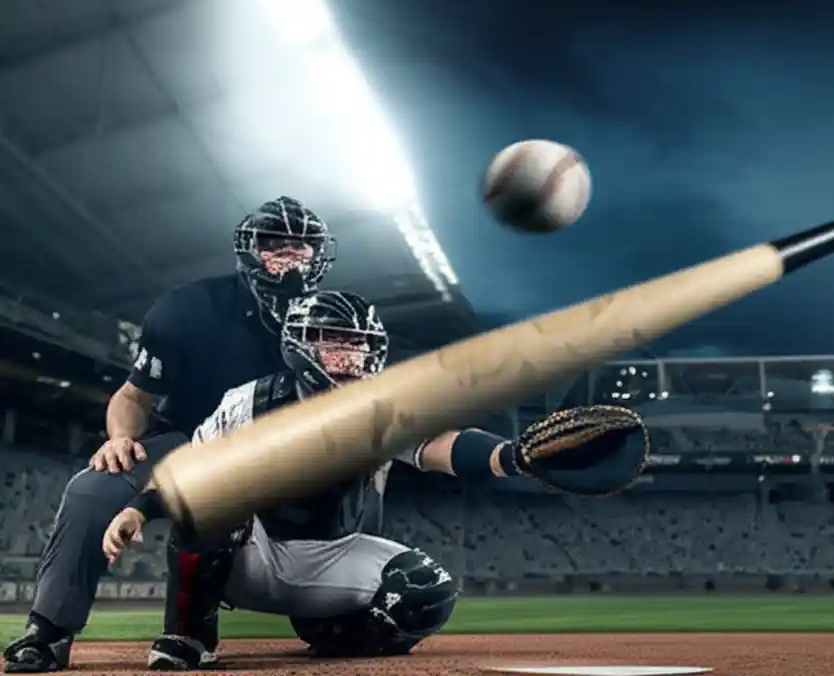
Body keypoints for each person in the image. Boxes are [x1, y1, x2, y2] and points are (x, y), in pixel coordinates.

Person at [101, 291, 529, 670]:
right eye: (336, 342)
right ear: (300, 345)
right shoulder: (249, 402)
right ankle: (189, 634)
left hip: (333, 555)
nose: (352, 356)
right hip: (251, 553)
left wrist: (511, 456)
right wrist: (138, 509)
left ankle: (330, 632)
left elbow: (439, 445)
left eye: (360, 344)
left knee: (427, 592)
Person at [3, 197, 336, 673]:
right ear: (248, 249)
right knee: (92, 488)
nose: (289, 255)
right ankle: (48, 631)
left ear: (319, 254)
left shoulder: (334, 322)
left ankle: (338, 611)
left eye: (301, 246)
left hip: (284, 458)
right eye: (274, 243)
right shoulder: (189, 308)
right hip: (184, 439)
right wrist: (120, 437)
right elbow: (132, 396)